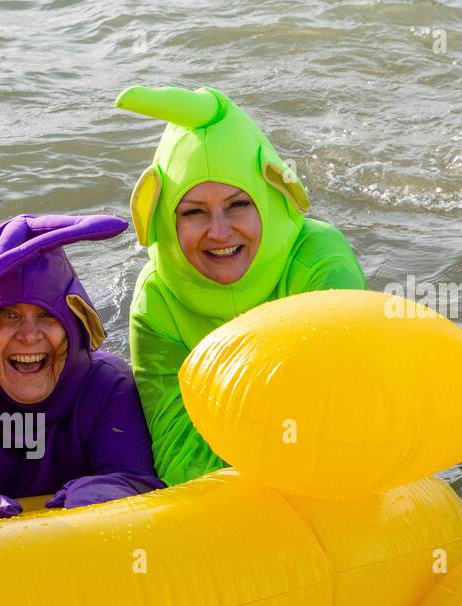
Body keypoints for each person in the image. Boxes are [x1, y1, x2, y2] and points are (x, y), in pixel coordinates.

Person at [115, 86, 366, 487]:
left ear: (271, 193)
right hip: (235, 476)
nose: (219, 232)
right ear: (162, 217)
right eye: (194, 212)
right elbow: (175, 448)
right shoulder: (157, 296)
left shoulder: (319, 264)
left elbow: (343, 418)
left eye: (238, 205)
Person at [0, 214, 163, 529]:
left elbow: (139, 481)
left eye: (47, 315)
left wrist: (117, 491)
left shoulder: (107, 388)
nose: (29, 335)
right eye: (8, 315)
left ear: (74, 327)